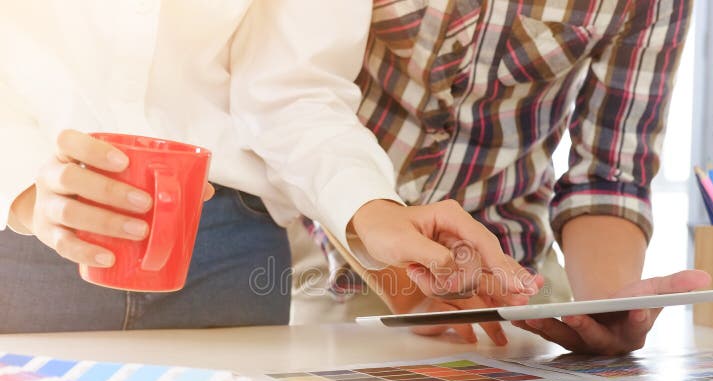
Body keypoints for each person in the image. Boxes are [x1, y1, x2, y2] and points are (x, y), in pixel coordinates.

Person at [0, 1, 538, 333]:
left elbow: (293, 92)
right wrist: (24, 188)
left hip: (227, 251)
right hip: (22, 245)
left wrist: (375, 212)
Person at [295, 0, 710, 355]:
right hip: (331, 251)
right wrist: (409, 283)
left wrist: (606, 308)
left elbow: (610, 175)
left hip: (514, 285)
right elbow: (297, 99)